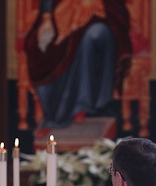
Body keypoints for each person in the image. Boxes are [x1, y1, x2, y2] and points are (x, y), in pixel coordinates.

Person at [24, 0, 132, 131]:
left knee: (95, 34)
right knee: (39, 46)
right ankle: (55, 113)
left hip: (102, 12)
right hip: (60, 12)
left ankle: (86, 104)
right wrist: (46, 17)